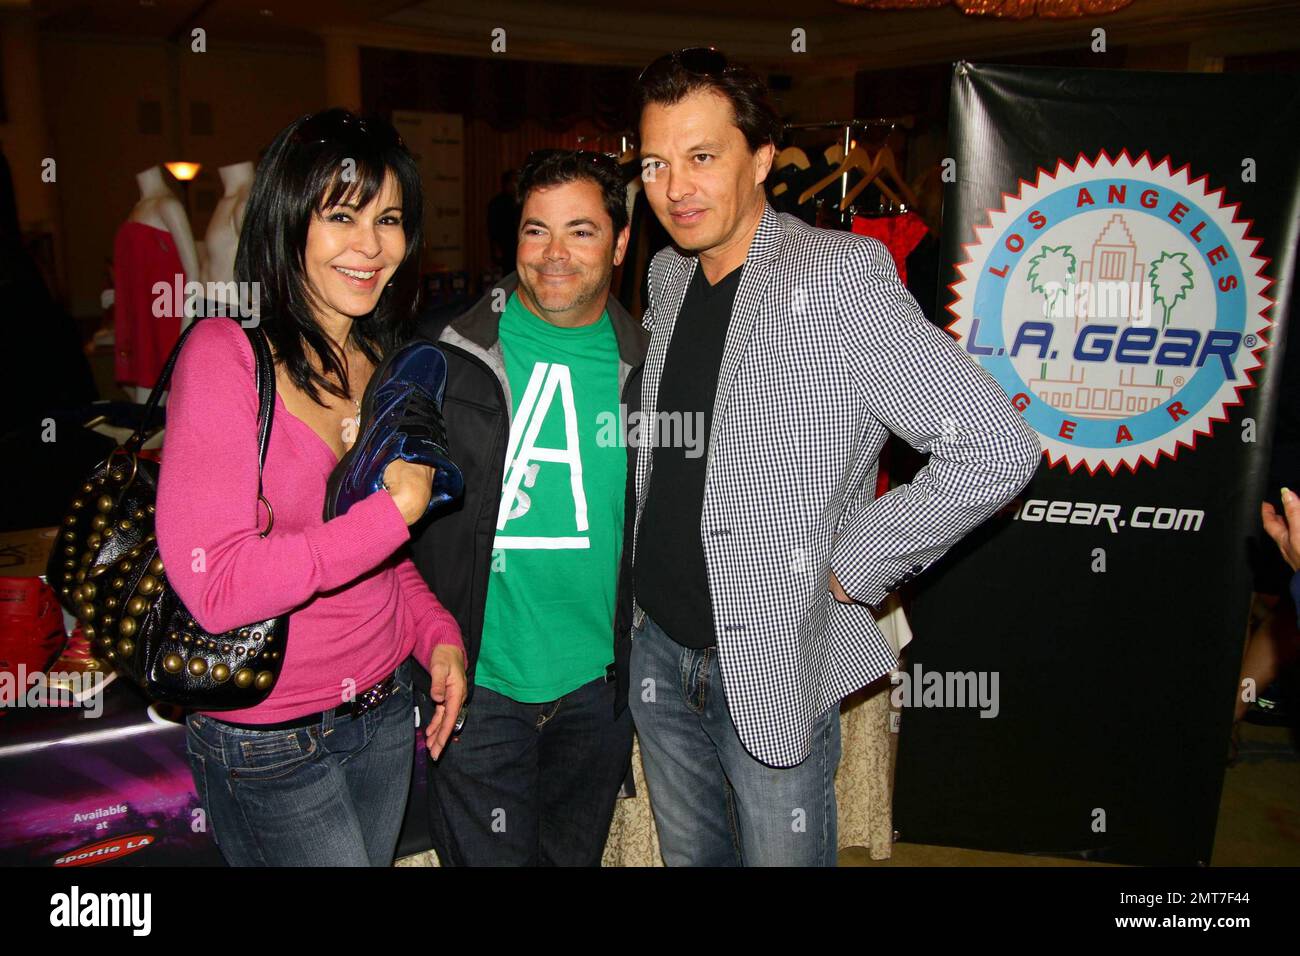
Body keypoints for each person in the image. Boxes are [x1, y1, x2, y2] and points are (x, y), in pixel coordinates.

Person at [628, 48, 1042, 866]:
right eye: (655, 163)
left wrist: (859, 561)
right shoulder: (668, 278)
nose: (675, 188)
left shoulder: (840, 276)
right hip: (657, 652)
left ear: (762, 160)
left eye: (702, 157)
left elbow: (996, 446)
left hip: (775, 655)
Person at [156, 108, 467, 866]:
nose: (371, 245)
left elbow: (380, 554)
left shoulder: (377, 356)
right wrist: (393, 512)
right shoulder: (225, 356)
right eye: (341, 216)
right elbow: (216, 584)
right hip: (271, 740)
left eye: (388, 218)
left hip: (386, 709)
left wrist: (436, 635)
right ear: (288, 220)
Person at [411, 149, 646, 865]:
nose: (552, 254)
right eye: (535, 230)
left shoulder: (650, 365)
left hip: (596, 694)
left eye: (580, 231)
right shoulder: (447, 353)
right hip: (478, 690)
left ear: (621, 241)